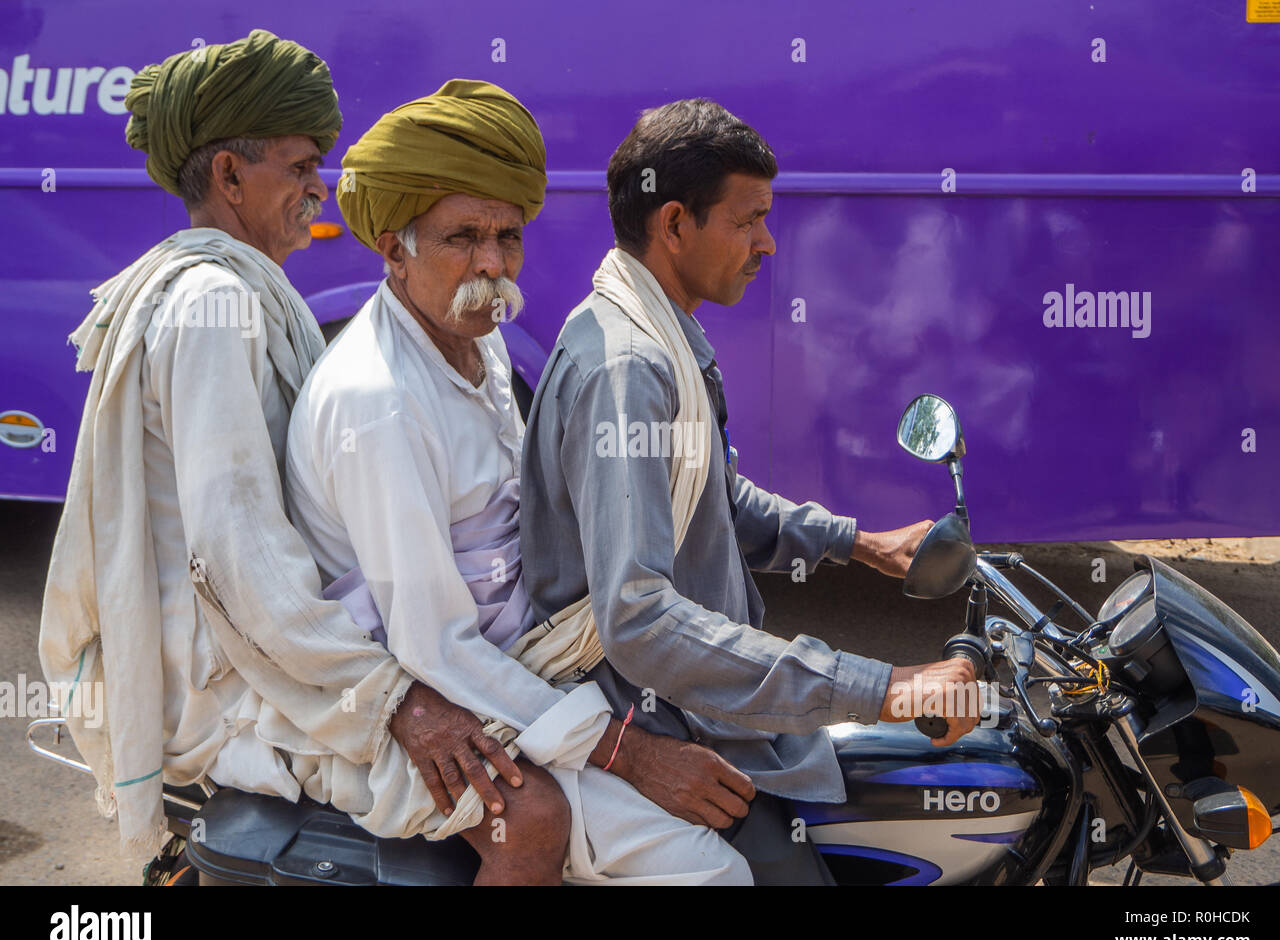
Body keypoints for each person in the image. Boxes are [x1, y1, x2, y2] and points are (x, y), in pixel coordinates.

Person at [38, 32, 565, 885]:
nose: (320, 189)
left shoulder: (247, 287)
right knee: (530, 816)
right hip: (234, 687)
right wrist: (400, 701)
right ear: (230, 177)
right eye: (300, 166)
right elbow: (240, 560)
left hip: (281, 650)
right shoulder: (212, 304)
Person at [283, 81, 755, 884]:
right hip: (430, 704)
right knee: (710, 871)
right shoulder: (379, 400)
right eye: (461, 238)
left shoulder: (478, 339)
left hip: (522, 668)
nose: (494, 265)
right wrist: (624, 752)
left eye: (507, 235)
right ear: (393, 249)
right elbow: (433, 646)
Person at [519, 98, 981, 882]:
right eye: (748, 220)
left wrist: (860, 544)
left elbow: (715, 500)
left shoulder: (662, 332)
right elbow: (637, 618)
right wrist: (886, 684)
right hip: (662, 716)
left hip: (700, 704)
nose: (767, 243)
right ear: (674, 224)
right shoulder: (629, 369)